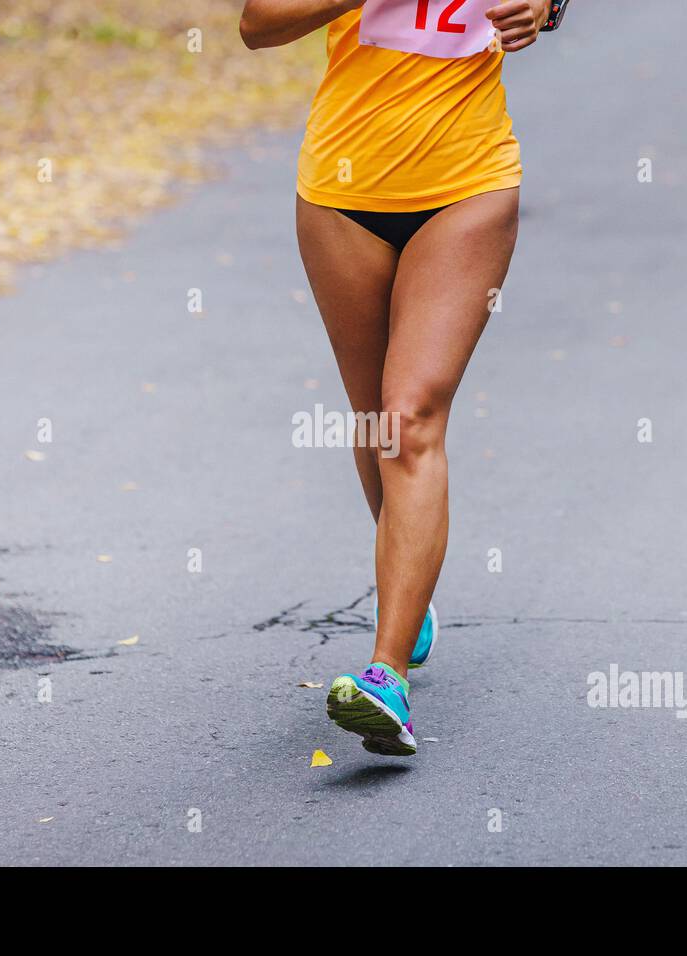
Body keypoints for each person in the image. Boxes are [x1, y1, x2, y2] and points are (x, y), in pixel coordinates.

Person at [240, 0, 562, 756]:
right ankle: (406, 595)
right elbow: (259, 24)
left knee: (410, 415)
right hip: (342, 193)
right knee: (375, 419)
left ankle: (386, 676)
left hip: (469, 184)